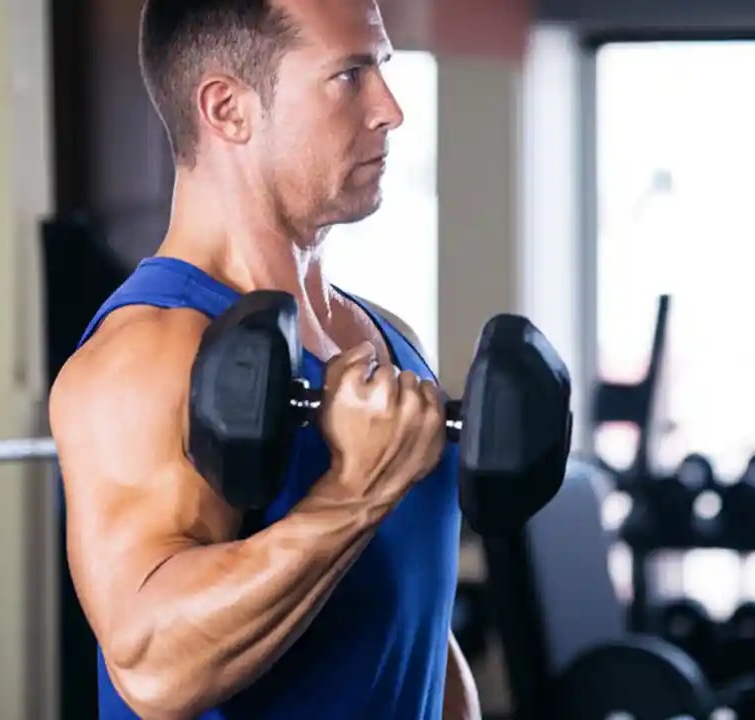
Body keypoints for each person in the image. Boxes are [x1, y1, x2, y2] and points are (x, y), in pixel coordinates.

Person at [49, 0, 479, 718]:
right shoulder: (149, 355)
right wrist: (358, 493)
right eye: (350, 75)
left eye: (383, 68)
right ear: (227, 109)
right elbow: (153, 668)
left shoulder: (385, 336)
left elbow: (409, 619)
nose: (391, 109)